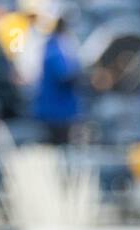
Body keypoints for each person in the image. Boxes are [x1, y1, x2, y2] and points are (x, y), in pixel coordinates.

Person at [33, 16, 81, 145]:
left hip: (57, 108)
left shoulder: (52, 47)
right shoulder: (56, 49)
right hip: (57, 110)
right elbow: (64, 74)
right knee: (58, 146)